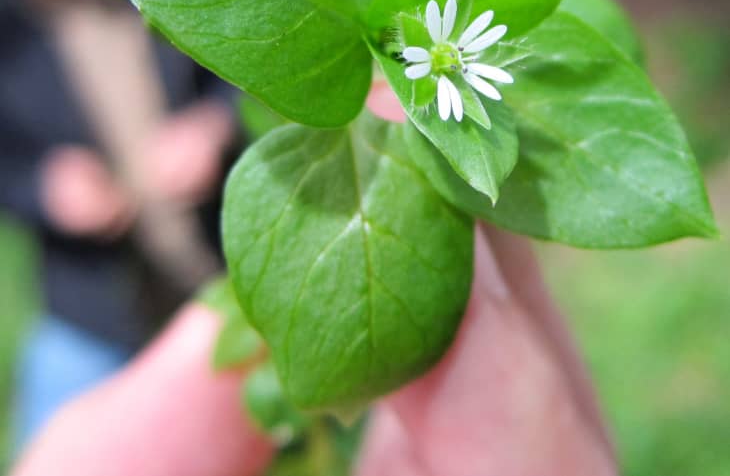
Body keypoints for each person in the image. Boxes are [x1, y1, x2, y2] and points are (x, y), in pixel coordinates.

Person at [10, 83, 618, 476]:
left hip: (216, 251)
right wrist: (39, 185)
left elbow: (244, 68)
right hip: (91, 294)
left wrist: (213, 125)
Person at [0, 0, 238, 448]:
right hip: (91, 306)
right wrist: (42, 188)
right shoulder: (7, 28)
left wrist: (213, 128)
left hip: (219, 279)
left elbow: (260, 69)